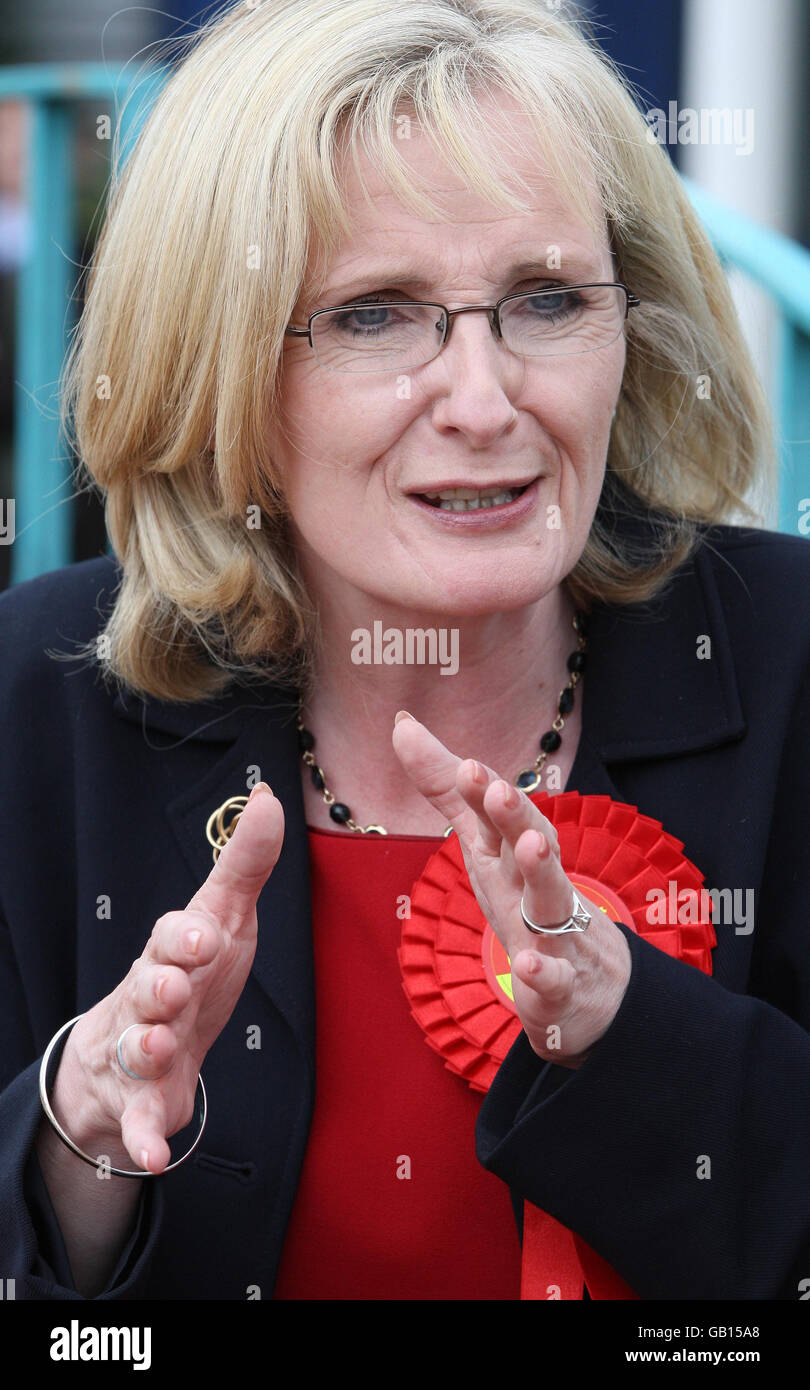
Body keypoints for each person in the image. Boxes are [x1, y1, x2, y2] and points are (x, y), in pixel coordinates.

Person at [1, 0, 809, 1302]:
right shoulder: (39, 696)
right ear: (221, 366)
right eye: (376, 315)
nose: (485, 402)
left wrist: (630, 1030)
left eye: (546, 299)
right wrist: (79, 1145)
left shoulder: (788, 659)